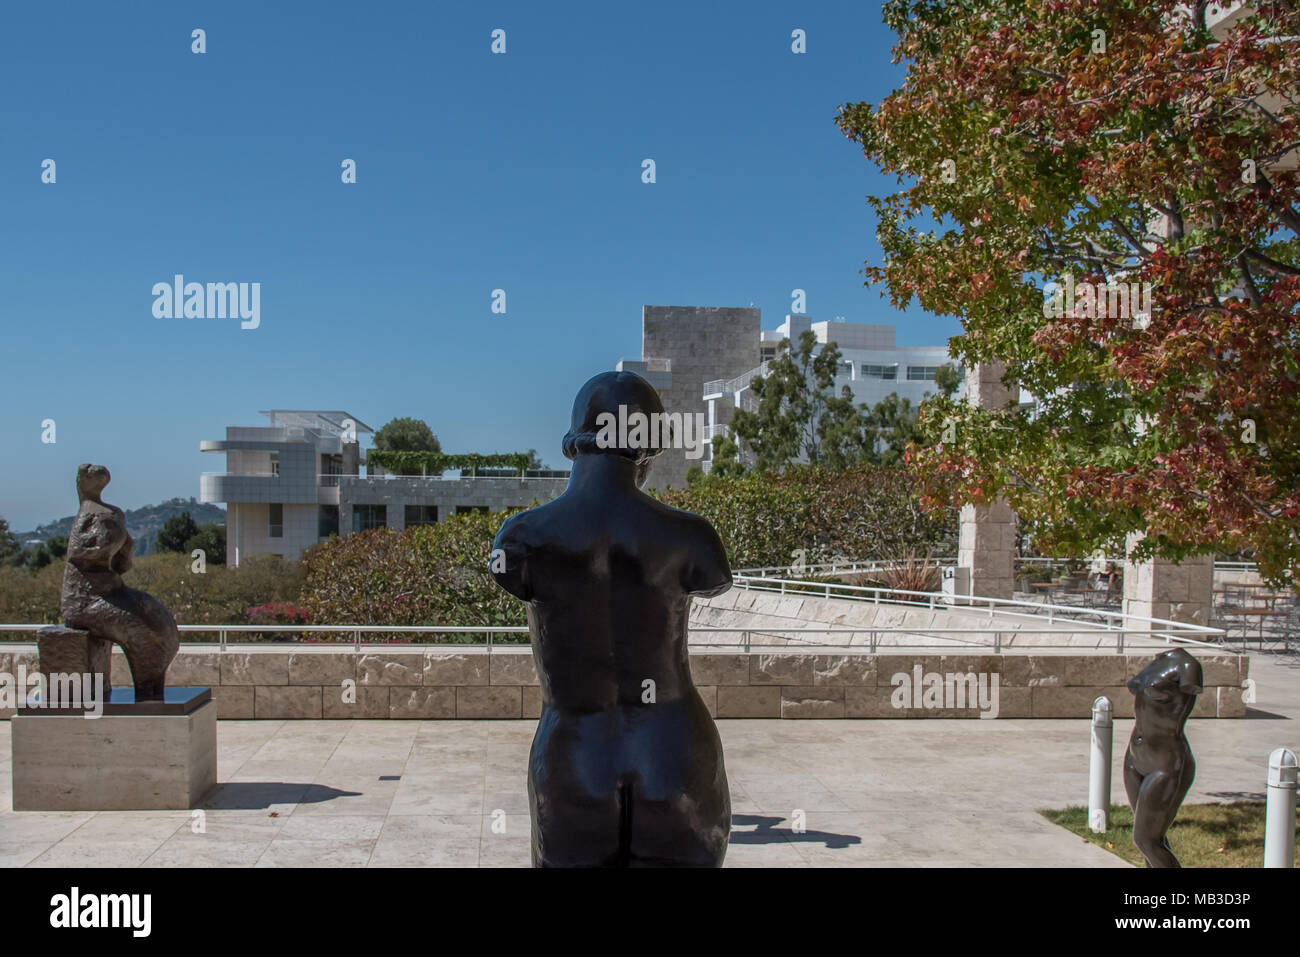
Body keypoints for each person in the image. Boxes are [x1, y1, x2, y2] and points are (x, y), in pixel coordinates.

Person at [491, 371, 733, 867]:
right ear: (647, 447)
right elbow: (714, 577)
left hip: (575, 757)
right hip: (672, 752)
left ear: (574, 440)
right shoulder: (692, 537)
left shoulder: (520, 540)